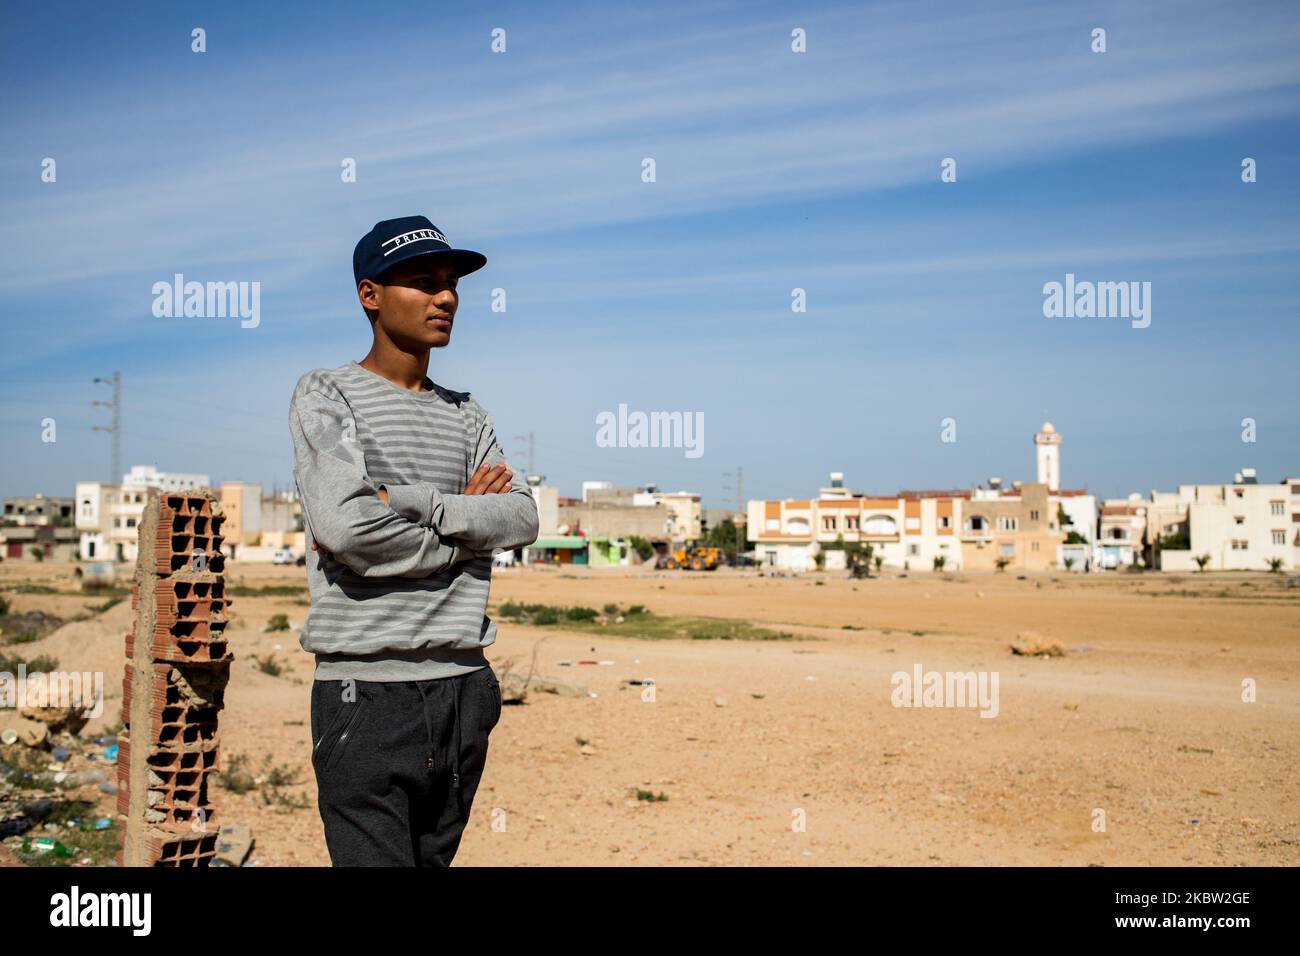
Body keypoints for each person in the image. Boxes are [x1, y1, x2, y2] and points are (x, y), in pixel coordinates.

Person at [287, 215, 539, 866]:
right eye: (424, 282)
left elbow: (521, 519)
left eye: (451, 284)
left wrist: (407, 502)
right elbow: (347, 531)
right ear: (370, 295)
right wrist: (465, 530)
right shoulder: (327, 395)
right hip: (365, 694)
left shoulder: (469, 413)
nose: (447, 297)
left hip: (464, 688)